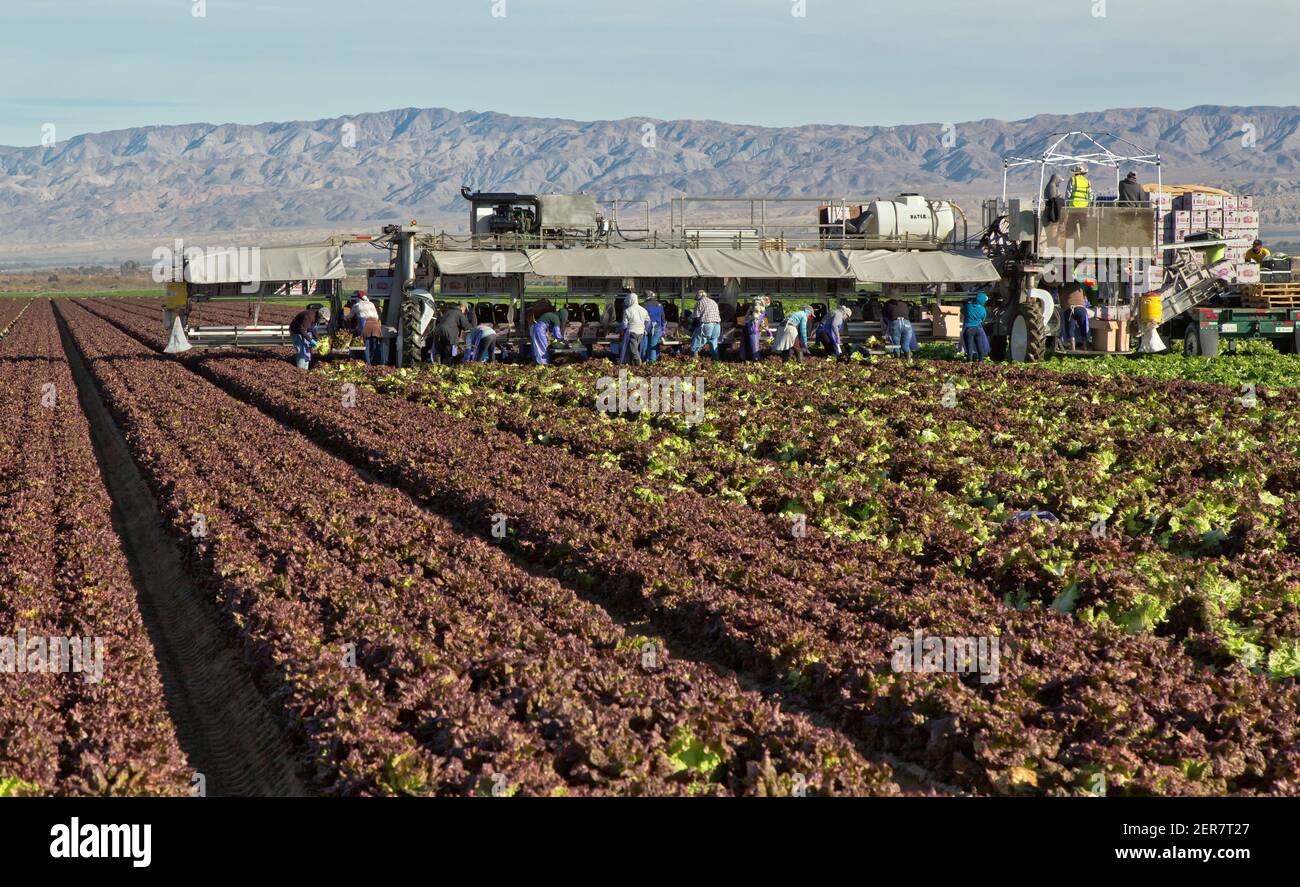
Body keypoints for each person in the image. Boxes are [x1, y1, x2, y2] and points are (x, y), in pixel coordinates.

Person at [348, 292, 386, 366]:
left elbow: (349, 317)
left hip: (366, 326)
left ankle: (368, 364)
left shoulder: (357, 305)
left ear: (358, 298)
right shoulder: (371, 304)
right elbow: (377, 317)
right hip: (376, 326)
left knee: (366, 346)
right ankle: (379, 363)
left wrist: (344, 317)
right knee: (375, 345)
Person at [620, 292, 649, 366]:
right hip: (641, 333)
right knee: (637, 348)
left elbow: (624, 324)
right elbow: (648, 321)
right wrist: (645, 329)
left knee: (633, 350)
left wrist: (623, 330)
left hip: (632, 332)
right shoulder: (643, 310)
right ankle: (633, 364)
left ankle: (639, 362)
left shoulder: (627, 310)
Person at [690, 289, 722, 358]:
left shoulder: (700, 302)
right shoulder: (713, 302)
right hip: (717, 326)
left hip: (707, 325)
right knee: (713, 342)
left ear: (699, 297)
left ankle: (694, 358)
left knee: (696, 338)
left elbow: (696, 317)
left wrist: (692, 328)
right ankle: (716, 359)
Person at [1060, 282, 1091, 351]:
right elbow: (1085, 299)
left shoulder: (1063, 288)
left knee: (1070, 329)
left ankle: (1072, 347)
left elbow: (1061, 303)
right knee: (1083, 328)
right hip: (1081, 309)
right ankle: (1085, 346)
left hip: (1070, 309)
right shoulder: (1080, 288)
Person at [960, 292, 990, 361]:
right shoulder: (983, 310)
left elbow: (962, 311)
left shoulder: (968, 306)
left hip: (969, 329)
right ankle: (981, 361)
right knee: (979, 345)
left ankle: (969, 361)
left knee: (969, 345)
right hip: (978, 329)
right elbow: (983, 319)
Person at [288, 305, 320, 370]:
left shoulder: (316, 318)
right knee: (302, 353)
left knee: (307, 352)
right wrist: (311, 340)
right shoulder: (309, 316)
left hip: (304, 332)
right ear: (321, 315)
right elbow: (301, 329)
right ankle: (300, 370)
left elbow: (313, 329)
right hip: (296, 332)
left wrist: (318, 339)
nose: (324, 321)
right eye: (324, 319)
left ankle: (305, 370)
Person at [741, 296, 769, 362]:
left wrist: (766, 328)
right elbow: (756, 318)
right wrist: (756, 326)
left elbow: (763, 319)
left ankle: (746, 358)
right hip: (752, 327)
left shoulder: (758, 308)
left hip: (750, 326)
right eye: (767, 302)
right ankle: (756, 359)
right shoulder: (758, 307)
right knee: (754, 344)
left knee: (747, 343)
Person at [642, 292, 667, 363]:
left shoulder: (643, 305)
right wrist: (663, 329)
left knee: (645, 345)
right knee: (653, 345)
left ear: (646, 297)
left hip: (646, 327)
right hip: (656, 327)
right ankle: (652, 362)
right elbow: (663, 318)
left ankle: (644, 360)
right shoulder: (659, 305)